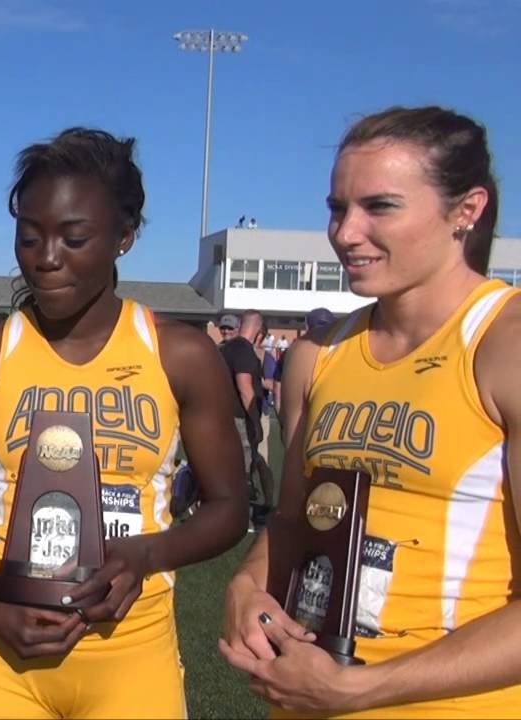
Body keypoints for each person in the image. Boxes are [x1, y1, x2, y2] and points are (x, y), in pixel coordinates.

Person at [0, 127, 247, 719]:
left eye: (74, 238)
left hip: (132, 650)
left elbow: (229, 508)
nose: (46, 259)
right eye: (30, 237)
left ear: (123, 236)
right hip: (3, 653)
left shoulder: (180, 355)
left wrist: (145, 555)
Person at [220, 105, 521, 718]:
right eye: (336, 208)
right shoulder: (317, 355)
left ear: (467, 210)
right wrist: (248, 585)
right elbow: (293, 521)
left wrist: (363, 687)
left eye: (379, 206)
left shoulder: (503, 346)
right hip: (307, 701)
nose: (345, 232)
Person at [219, 309, 276, 527]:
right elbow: (245, 387)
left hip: (226, 415)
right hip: (240, 418)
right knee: (242, 469)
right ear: (259, 330)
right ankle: (238, 518)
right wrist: (254, 420)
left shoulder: (225, 349)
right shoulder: (243, 351)